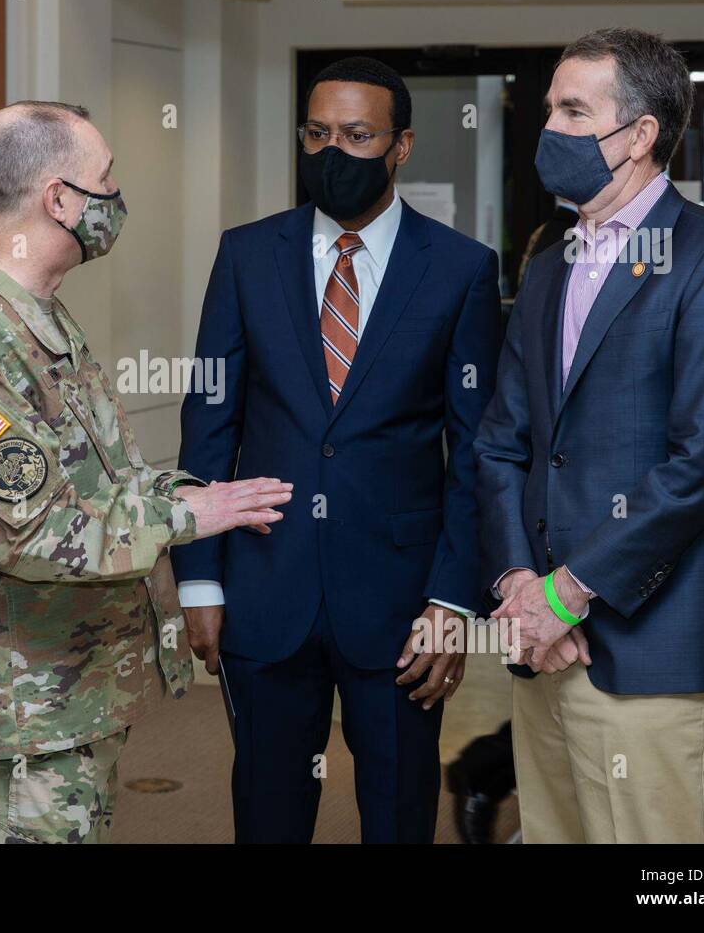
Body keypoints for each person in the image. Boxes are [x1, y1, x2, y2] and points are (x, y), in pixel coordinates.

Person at [0, 100, 292, 844]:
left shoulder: (40, 321)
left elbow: (95, 483)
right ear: (59, 199)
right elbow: (34, 533)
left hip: (65, 701)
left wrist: (189, 491)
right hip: (17, 720)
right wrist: (189, 517)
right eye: (105, 181)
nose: (116, 199)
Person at [172, 57, 502, 843]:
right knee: (269, 809)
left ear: (402, 146)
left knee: (398, 808)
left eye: (357, 136)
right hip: (265, 585)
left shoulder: (459, 270)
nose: (334, 152)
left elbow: (478, 452)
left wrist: (453, 604)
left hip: (401, 605)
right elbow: (209, 422)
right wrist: (197, 584)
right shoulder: (247, 255)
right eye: (318, 133)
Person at [475, 27, 704, 843]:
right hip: (538, 646)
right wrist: (516, 582)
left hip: (652, 647)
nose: (550, 130)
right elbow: (504, 441)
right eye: (550, 110)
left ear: (641, 134)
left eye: (574, 111)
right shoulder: (548, 263)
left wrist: (565, 592)